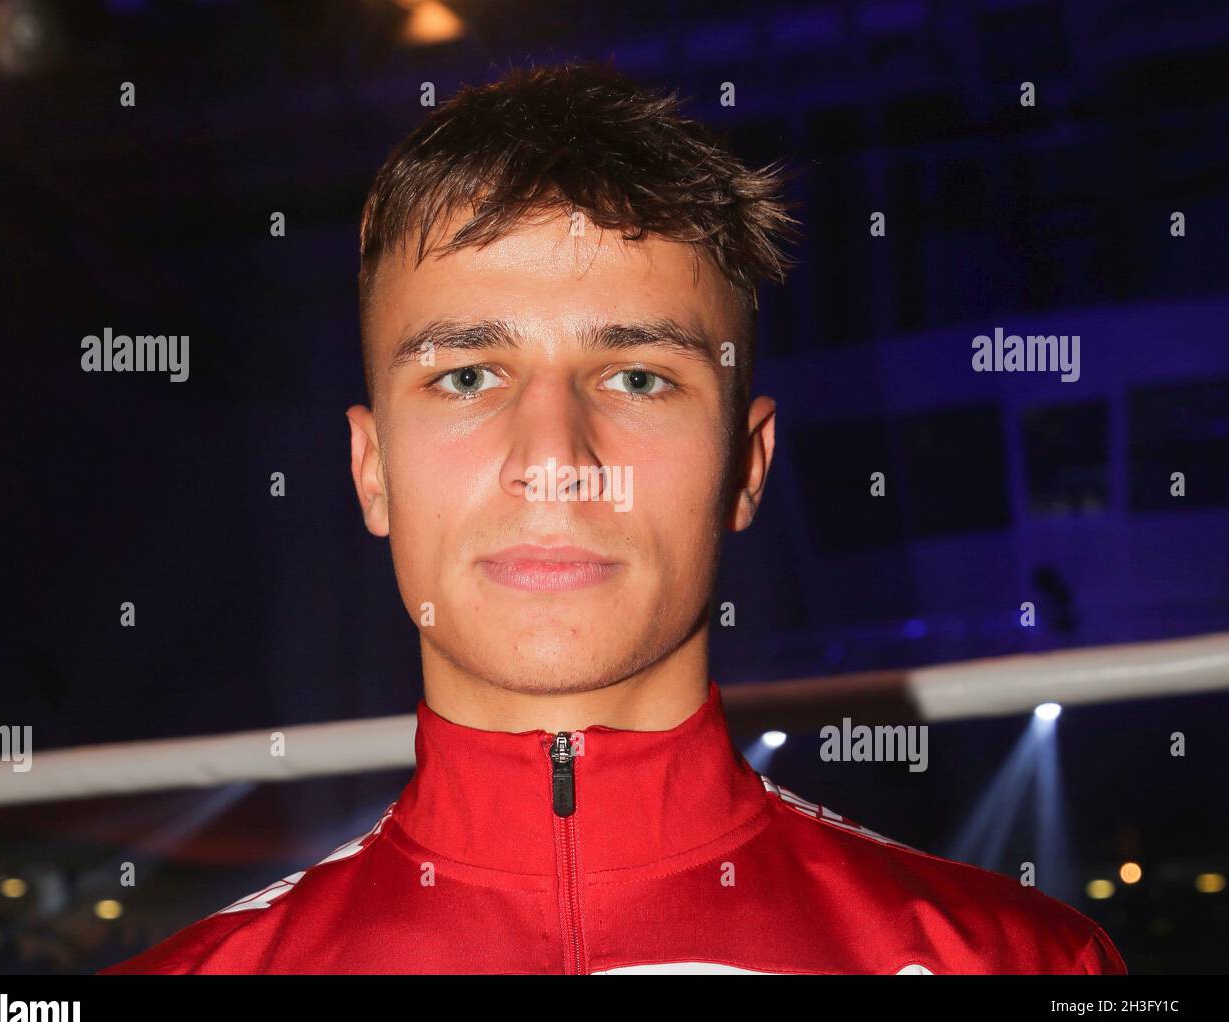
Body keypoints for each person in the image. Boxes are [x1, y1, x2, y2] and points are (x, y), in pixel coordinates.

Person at [100, 61, 1125, 975]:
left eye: (636, 374)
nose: (553, 458)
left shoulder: (1023, 964)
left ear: (744, 464)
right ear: (371, 472)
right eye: (466, 375)